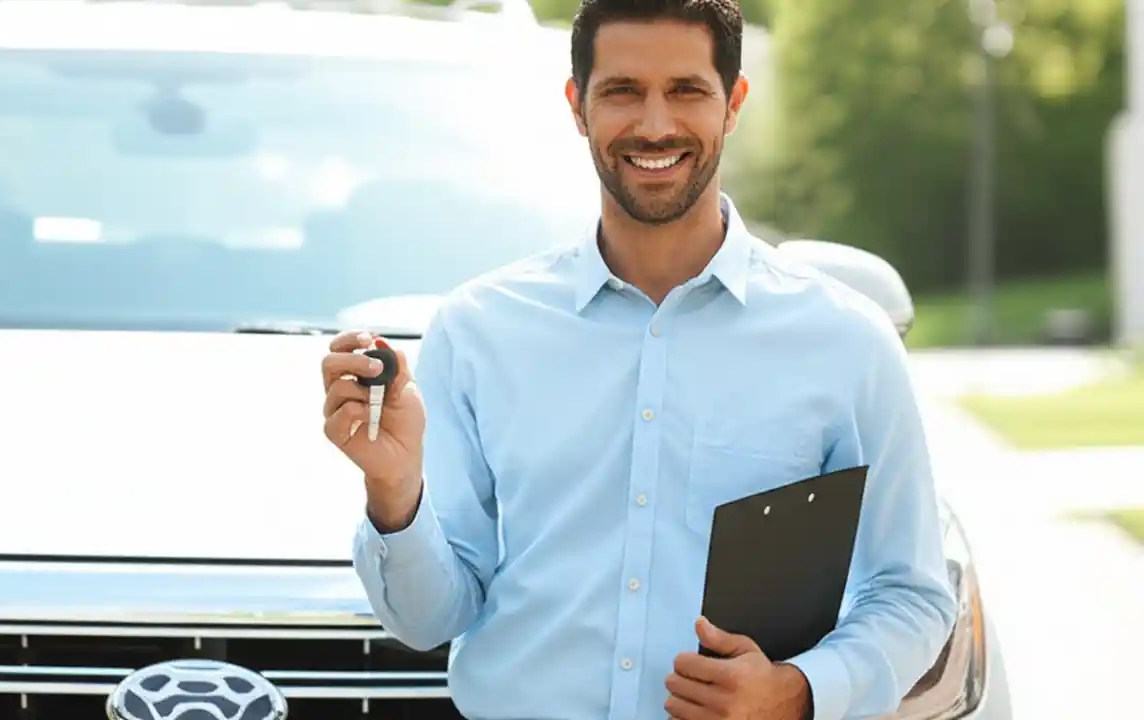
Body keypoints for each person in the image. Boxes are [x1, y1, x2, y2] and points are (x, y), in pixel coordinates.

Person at [319, 0, 957, 717]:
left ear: (734, 103)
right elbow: (429, 618)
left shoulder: (846, 341)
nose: (655, 126)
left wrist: (801, 692)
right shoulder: (478, 330)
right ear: (578, 106)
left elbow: (913, 593)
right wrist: (396, 494)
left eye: (686, 90)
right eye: (623, 92)